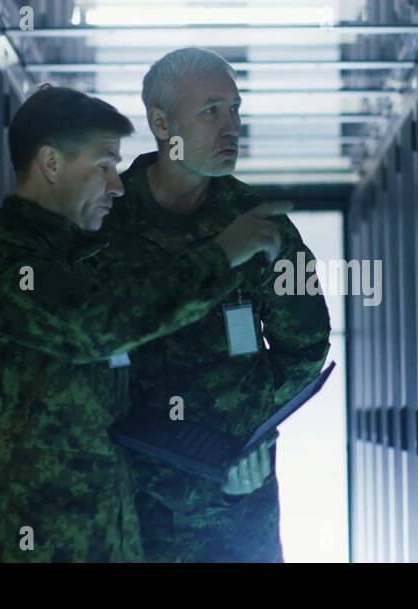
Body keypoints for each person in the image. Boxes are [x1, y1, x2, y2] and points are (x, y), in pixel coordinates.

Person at [0, 85, 285, 562]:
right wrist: (222, 255)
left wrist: (225, 461)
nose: (116, 185)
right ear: (51, 164)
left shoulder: (82, 269)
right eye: (103, 166)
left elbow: (120, 426)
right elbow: (93, 326)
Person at [101, 48, 332, 562]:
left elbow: (307, 345)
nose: (231, 126)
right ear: (161, 123)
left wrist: (250, 426)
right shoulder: (102, 218)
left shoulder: (261, 226)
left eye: (235, 109)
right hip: (125, 498)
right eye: (211, 111)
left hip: (233, 504)